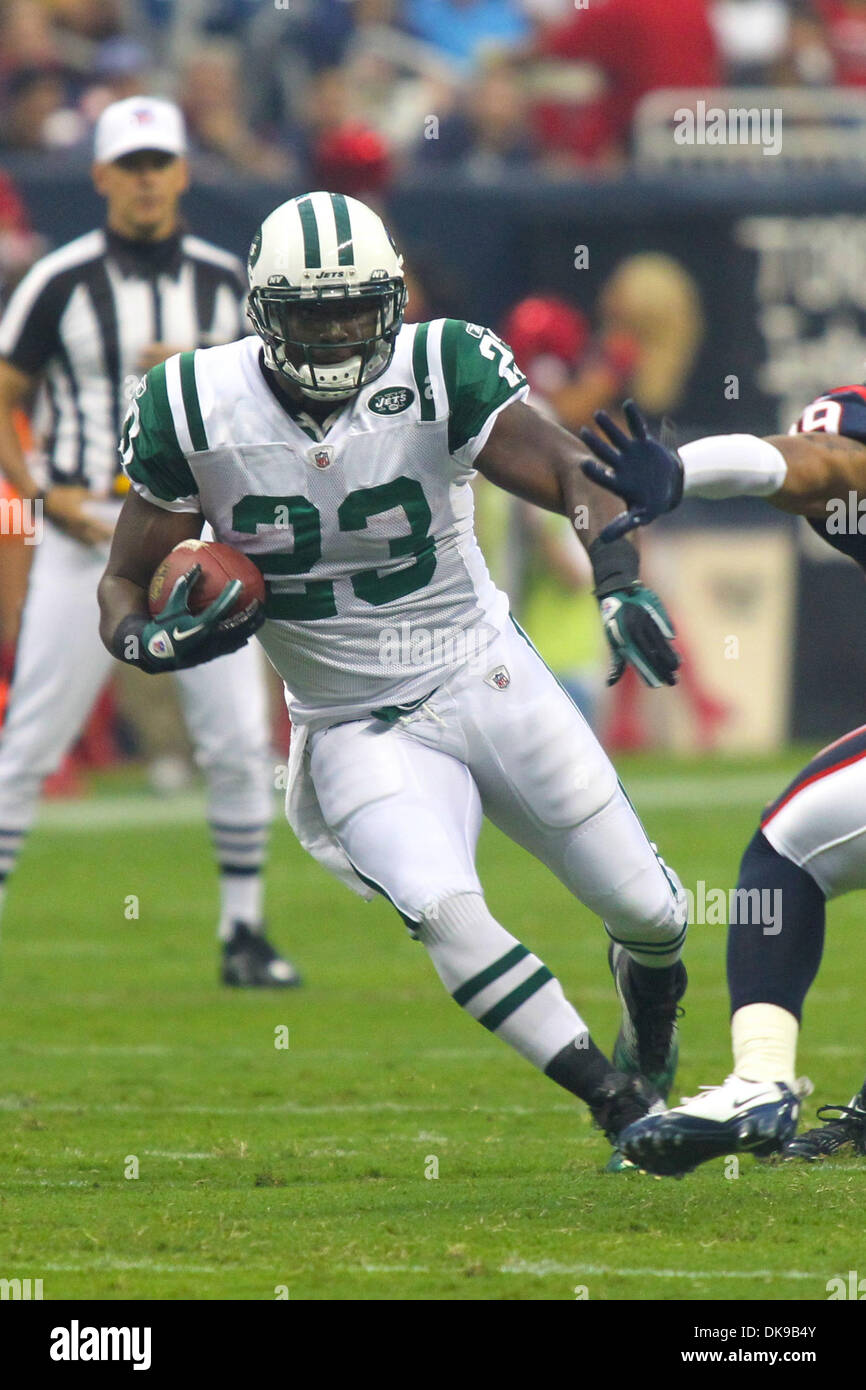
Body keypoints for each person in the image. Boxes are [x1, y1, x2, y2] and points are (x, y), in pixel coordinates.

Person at [98, 190, 690, 1166]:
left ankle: (651, 1018)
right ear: (260, 310)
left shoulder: (437, 360)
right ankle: (619, 1103)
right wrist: (146, 641)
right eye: (311, 313)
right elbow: (123, 579)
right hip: (350, 721)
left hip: (483, 674)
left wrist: (617, 580)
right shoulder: (191, 404)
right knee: (440, 905)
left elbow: (569, 471)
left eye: (353, 309)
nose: (335, 334)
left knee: (651, 912)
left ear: (390, 300)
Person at [0, 95, 299, 988]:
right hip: (84, 528)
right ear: (99, 177)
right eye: (128, 166)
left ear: (181, 171)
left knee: (241, 742)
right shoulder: (58, 280)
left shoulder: (225, 285)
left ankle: (244, 931)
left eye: (157, 163)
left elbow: (280, 401)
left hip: (189, 543)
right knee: (28, 744)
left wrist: (204, 363)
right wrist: (39, 491)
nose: (144, 181)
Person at [578, 390, 866, 1172]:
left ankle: (761, 1080)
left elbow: (806, 461)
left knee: (786, 851)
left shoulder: (846, 458)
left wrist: (681, 468)